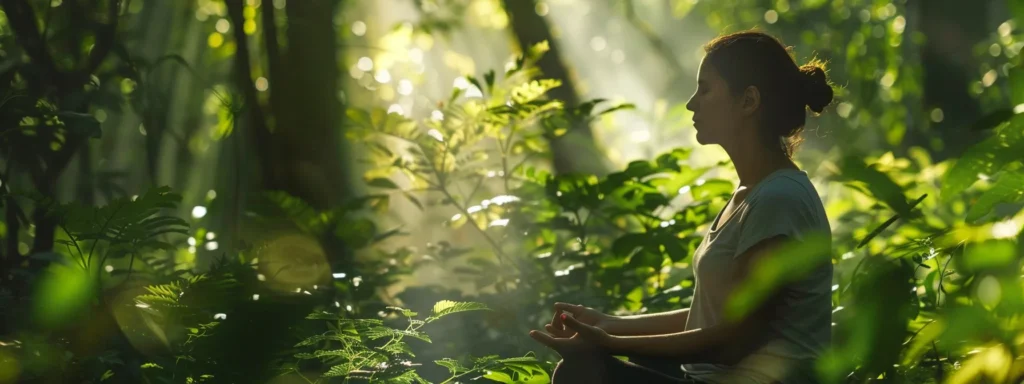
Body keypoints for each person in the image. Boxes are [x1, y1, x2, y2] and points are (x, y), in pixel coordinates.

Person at [529, 30, 836, 384]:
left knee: (580, 372)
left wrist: (609, 343)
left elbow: (737, 340)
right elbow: (711, 318)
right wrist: (607, 324)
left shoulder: (778, 200)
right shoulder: (752, 193)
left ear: (748, 101)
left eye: (705, 89)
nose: (692, 103)